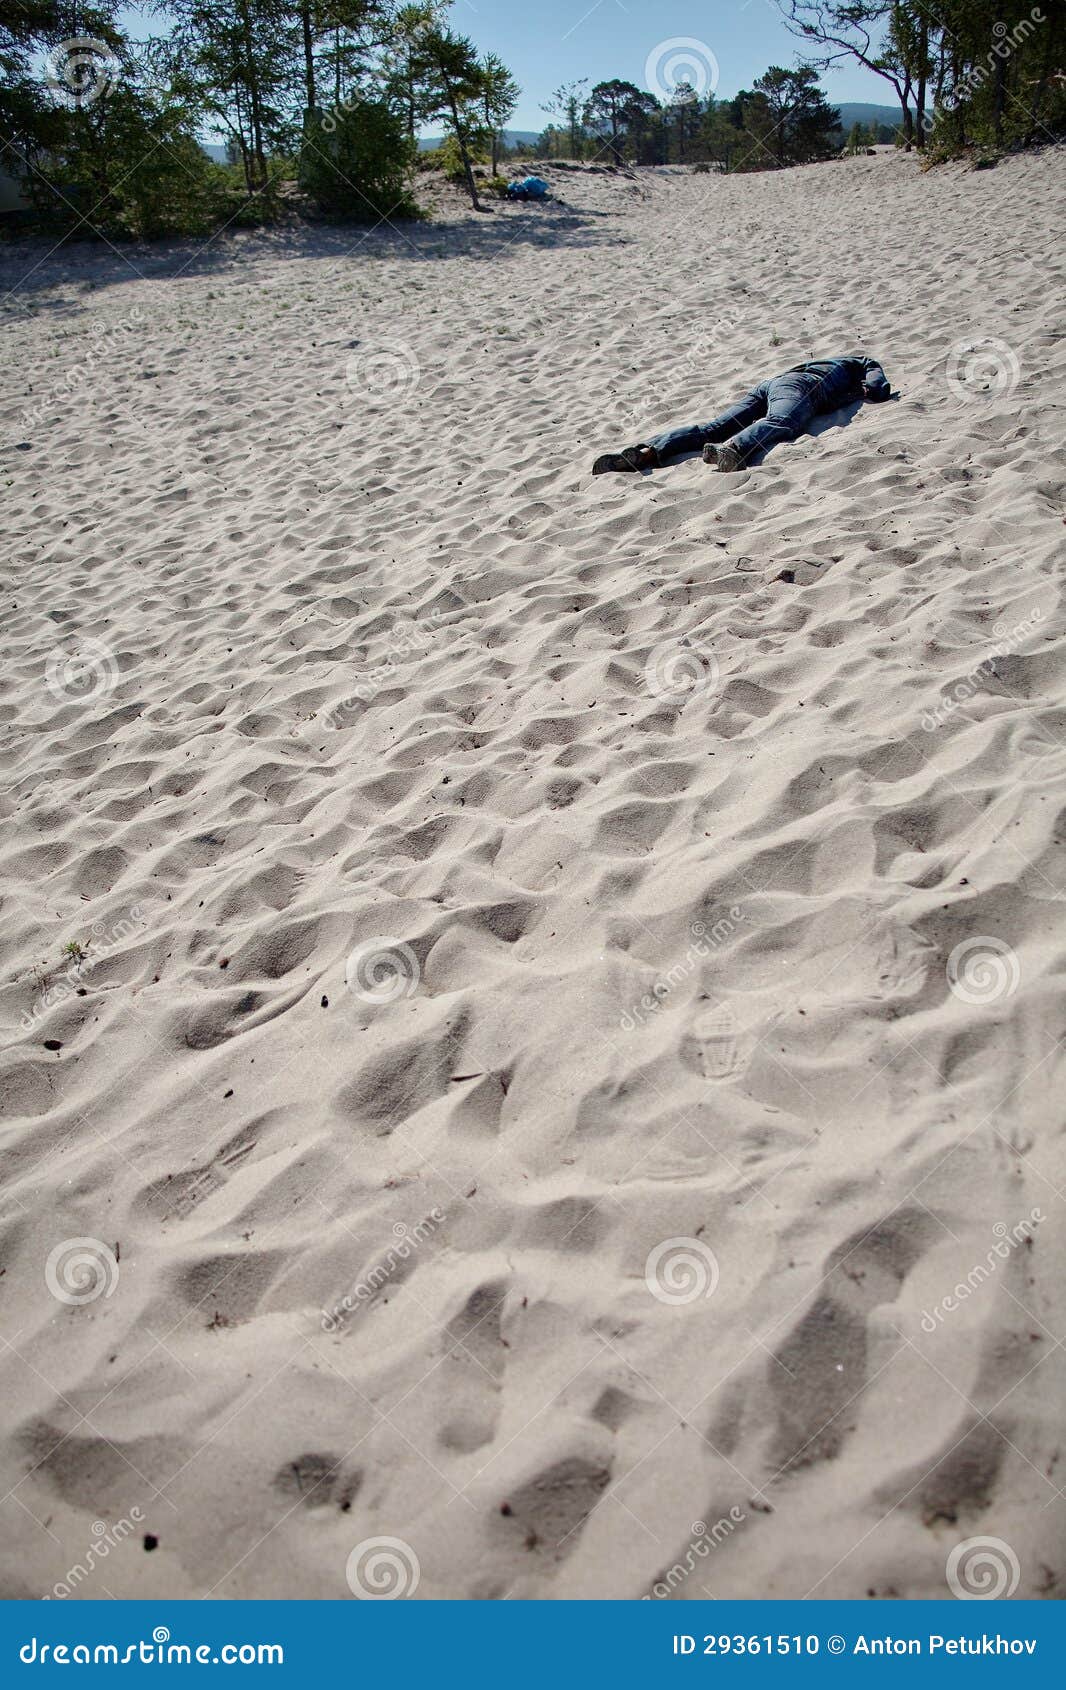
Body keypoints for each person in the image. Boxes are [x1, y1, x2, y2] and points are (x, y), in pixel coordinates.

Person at [592, 354, 892, 474]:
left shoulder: (822, 361)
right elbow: (878, 385)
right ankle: (737, 449)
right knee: (782, 421)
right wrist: (869, 389)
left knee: (714, 427)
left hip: (771, 383)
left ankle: (646, 452)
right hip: (802, 387)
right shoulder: (858, 362)